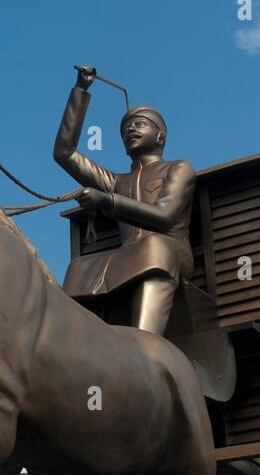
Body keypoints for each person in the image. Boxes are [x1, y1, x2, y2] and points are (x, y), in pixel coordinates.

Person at [53, 66, 195, 335]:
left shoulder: (179, 169)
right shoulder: (117, 182)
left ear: (161, 136)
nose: (130, 130)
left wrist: (107, 201)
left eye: (139, 124)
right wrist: (80, 90)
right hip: (129, 253)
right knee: (79, 267)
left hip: (171, 250)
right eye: (125, 128)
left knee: (155, 246)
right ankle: (73, 341)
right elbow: (65, 153)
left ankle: (145, 341)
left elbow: (165, 217)